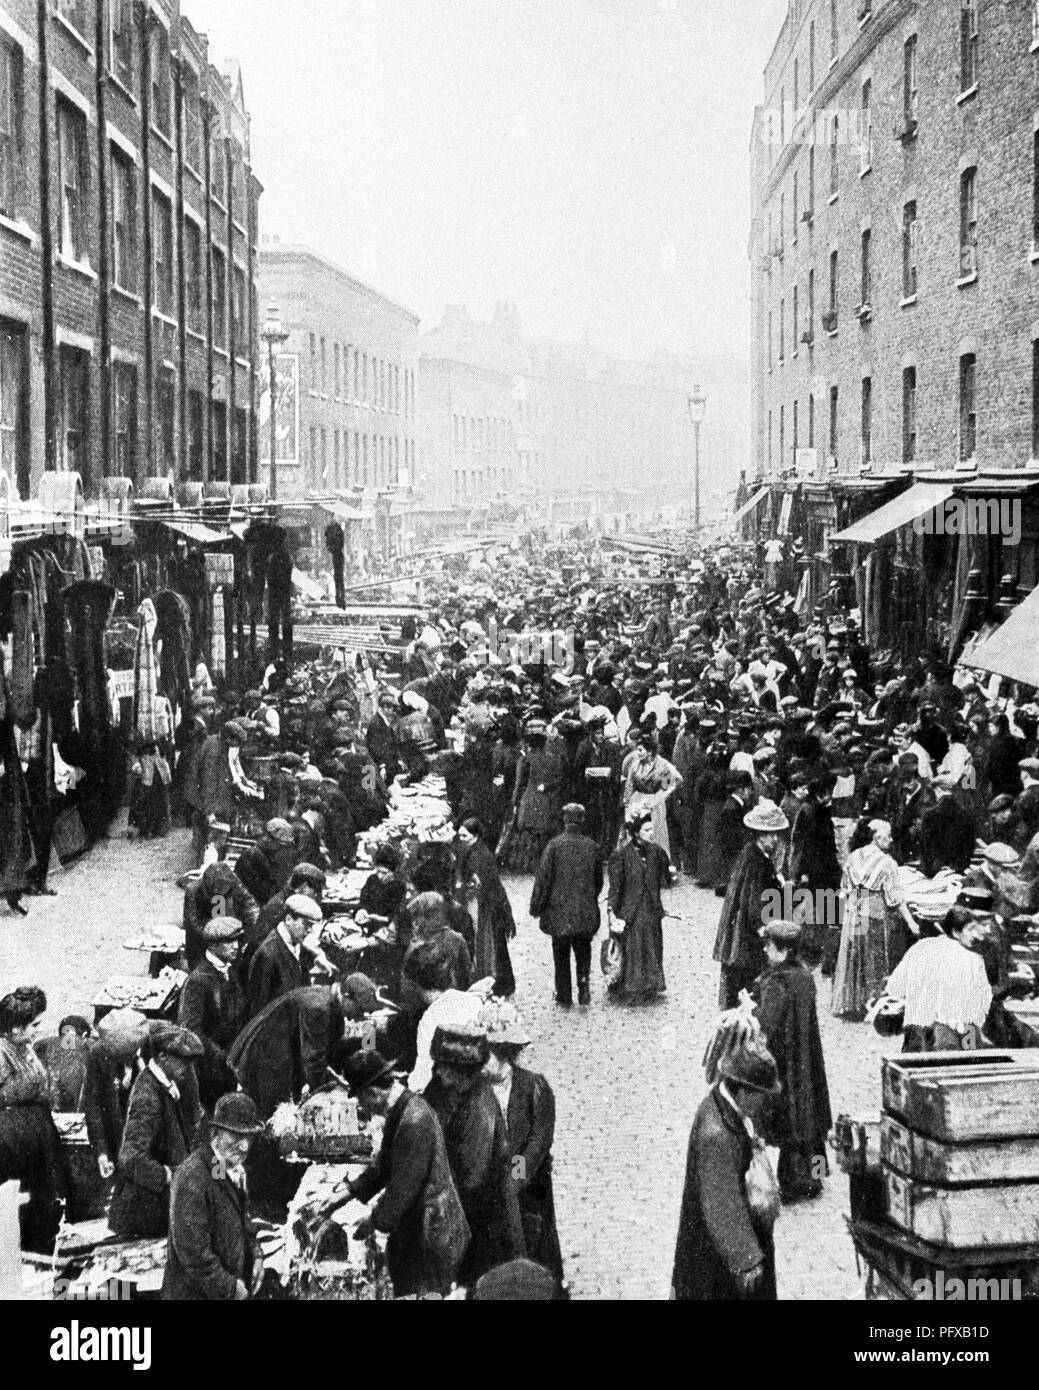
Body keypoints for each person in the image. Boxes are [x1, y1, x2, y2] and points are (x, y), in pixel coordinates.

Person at [300, 1049, 471, 1298]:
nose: (362, 1107)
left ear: (373, 1093)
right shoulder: (400, 1110)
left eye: (361, 1100)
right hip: (421, 1227)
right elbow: (383, 1166)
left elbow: (402, 1190)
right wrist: (346, 1194)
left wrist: (372, 1223)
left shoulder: (414, 1120)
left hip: (433, 1234)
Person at [671, 1043, 782, 1301]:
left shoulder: (722, 1105)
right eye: (762, 1096)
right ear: (744, 1092)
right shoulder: (718, 1136)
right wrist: (747, 1259)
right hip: (718, 1258)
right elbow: (721, 1203)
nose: (765, 1102)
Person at [423, 1025, 526, 1284]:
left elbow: (472, 1180)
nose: (438, 1072)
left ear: (462, 1073)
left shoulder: (480, 1110)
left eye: (444, 1068)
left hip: (480, 1223)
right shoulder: (447, 1089)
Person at [478, 999, 564, 1283]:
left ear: (503, 1056)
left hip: (530, 1189)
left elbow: (538, 1141)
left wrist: (514, 1178)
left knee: (535, 1249)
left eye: (485, 1055)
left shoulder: (534, 1086)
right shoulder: (477, 1092)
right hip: (493, 1191)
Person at [752, 920, 832, 1203]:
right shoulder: (804, 976)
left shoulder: (776, 982)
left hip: (785, 1060)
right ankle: (817, 1177)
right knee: (810, 1119)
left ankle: (795, 1184)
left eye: (769, 946)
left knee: (791, 1121)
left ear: (783, 951)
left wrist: (751, 1009)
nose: (765, 950)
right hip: (806, 1058)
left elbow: (767, 1023)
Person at [162, 1092, 265, 1301]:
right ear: (216, 1134)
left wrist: (256, 1254)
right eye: (236, 1136)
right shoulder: (191, 1178)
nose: (244, 1146)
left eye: (249, 1137)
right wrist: (231, 1289)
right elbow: (194, 1255)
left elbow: (242, 1218)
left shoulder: (223, 1166)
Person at [109, 1023, 203, 1239]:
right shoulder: (147, 1096)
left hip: (156, 1206)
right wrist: (169, 1175)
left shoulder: (165, 1084)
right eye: (182, 1061)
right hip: (143, 1211)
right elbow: (130, 1158)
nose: (186, 1069)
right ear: (162, 1057)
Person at [0, 987, 68, 1251]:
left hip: (36, 1135)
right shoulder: (2, 1056)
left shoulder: (23, 1046)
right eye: (34, 1025)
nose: (39, 1030)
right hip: (16, 1146)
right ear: (15, 1028)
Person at [832, 819, 920, 1021]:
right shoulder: (887, 862)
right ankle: (873, 1002)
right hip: (873, 913)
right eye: (888, 836)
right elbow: (895, 898)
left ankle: (852, 1003)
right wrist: (911, 923)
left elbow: (844, 889)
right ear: (878, 837)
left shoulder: (854, 856)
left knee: (853, 955)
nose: (890, 839)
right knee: (874, 958)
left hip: (853, 911)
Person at [881, 905, 993, 1052]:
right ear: (956, 932)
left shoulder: (921, 947)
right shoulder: (973, 960)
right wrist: (972, 1045)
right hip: (953, 1035)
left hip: (916, 1032)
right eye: (970, 929)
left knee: (914, 1066)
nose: (975, 934)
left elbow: (895, 987)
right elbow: (981, 1003)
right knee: (967, 1063)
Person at [713, 800, 788, 1009]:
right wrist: (764, 929)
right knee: (748, 984)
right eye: (771, 834)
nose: (775, 839)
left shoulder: (749, 853)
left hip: (738, 929)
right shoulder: (758, 862)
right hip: (749, 935)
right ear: (760, 834)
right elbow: (755, 902)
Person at [529, 803, 603, 1008]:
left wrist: (537, 907)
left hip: (559, 912)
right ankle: (584, 985)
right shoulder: (592, 846)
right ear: (582, 820)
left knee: (560, 955)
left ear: (564, 820)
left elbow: (543, 880)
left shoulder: (554, 846)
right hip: (585, 911)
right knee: (583, 950)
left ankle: (563, 995)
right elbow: (599, 882)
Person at [178, 917, 248, 1111]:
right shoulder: (198, 981)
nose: (236, 947)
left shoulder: (229, 970)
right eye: (229, 942)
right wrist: (223, 1058)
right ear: (213, 945)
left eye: (237, 941)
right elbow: (191, 1030)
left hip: (231, 1061)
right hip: (210, 1068)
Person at [607, 810, 671, 1002]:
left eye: (652, 829)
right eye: (646, 830)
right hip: (631, 909)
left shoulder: (657, 852)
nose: (651, 833)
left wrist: (671, 874)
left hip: (651, 907)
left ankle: (651, 984)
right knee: (634, 947)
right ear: (635, 832)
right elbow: (615, 888)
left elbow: (666, 877)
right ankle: (632, 986)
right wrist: (612, 911)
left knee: (651, 945)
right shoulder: (621, 855)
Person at [83, 1008, 150, 1190]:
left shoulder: (153, 1050)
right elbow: (93, 1105)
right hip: (117, 1139)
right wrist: (102, 1152)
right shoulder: (98, 1054)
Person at [457, 817, 517, 997]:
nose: (461, 839)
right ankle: (504, 982)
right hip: (491, 904)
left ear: (475, 836)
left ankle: (497, 983)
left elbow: (481, 883)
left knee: (490, 945)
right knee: (497, 946)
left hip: (486, 907)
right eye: (459, 835)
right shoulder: (477, 851)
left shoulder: (478, 855)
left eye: (465, 836)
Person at [246, 893, 325, 1018]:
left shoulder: (296, 944)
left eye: (312, 926)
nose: (310, 931)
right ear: (288, 919)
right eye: (306, 924)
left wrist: (318, 956)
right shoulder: (268, 955)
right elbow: (259, 1010)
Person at [182, 861, 260, 970]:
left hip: (220, 922)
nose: (222, 893)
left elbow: (248, 902)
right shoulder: (192, 890)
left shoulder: (232, 881)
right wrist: (215, 936)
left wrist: (256, 924)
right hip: (201, 934)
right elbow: (193, 923)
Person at [621, 731, 683, 858]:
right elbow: (629, 785)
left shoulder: (662, 764)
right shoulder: (635, 763)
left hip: (655, 803)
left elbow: (676, 779)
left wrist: (660, 795)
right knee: (634, 832)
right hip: (637, 801)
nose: (637, 753)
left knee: (654, 834)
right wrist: (627, 805)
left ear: (649, 751)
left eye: (640, 750)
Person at [234, 818, 297, 907]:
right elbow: (262, 891)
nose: (281, 849)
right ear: (268, 838)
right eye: (280, 844)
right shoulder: (252, 856)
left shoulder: (271, 857)